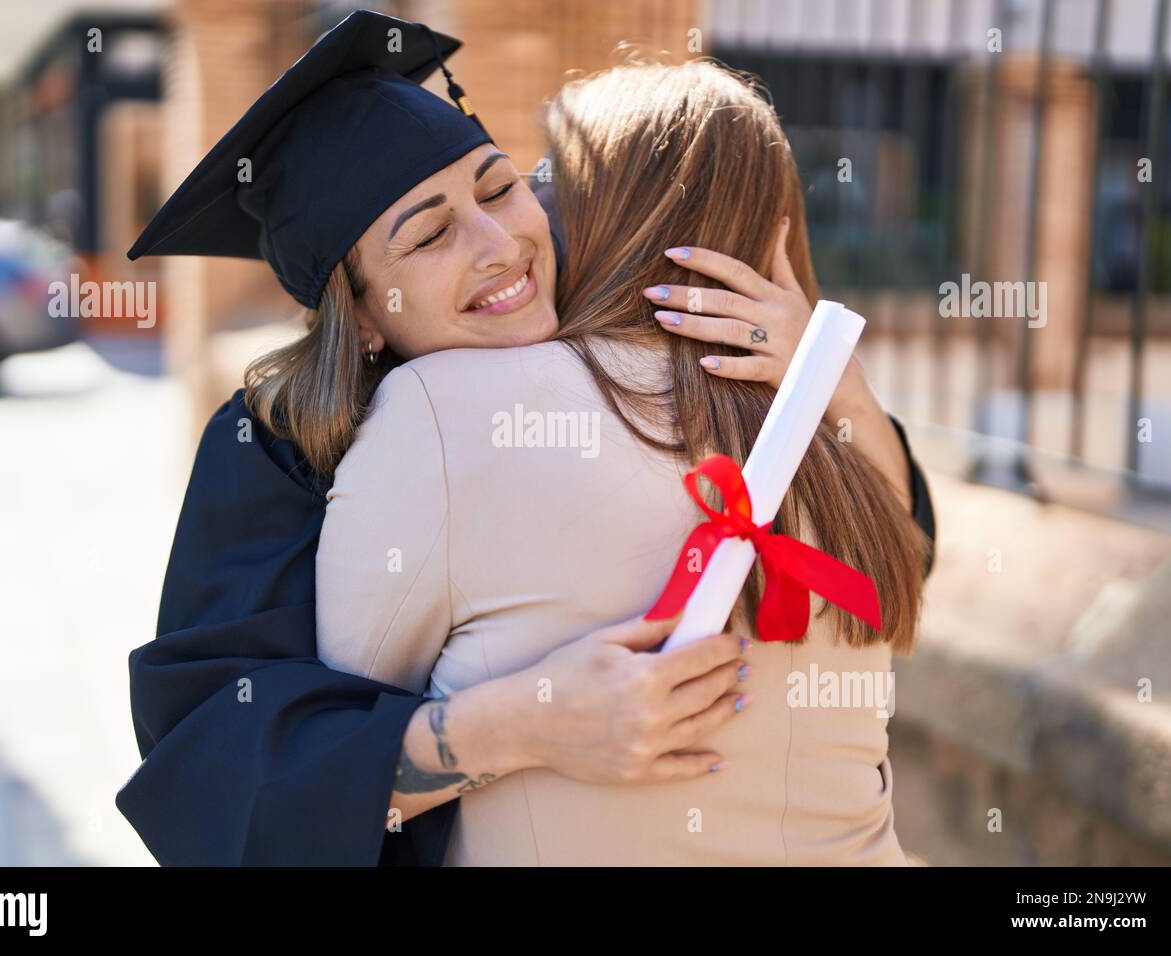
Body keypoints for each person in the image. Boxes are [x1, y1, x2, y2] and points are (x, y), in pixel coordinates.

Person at [116, 11, 936, 866]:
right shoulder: (277, 447)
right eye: (429, 234)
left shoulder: (637, 371)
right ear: (358, 313)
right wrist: (526, 724)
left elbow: (891, 555)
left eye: (502, 186)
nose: (502, 243)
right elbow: (224, 767)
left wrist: (830, 385)